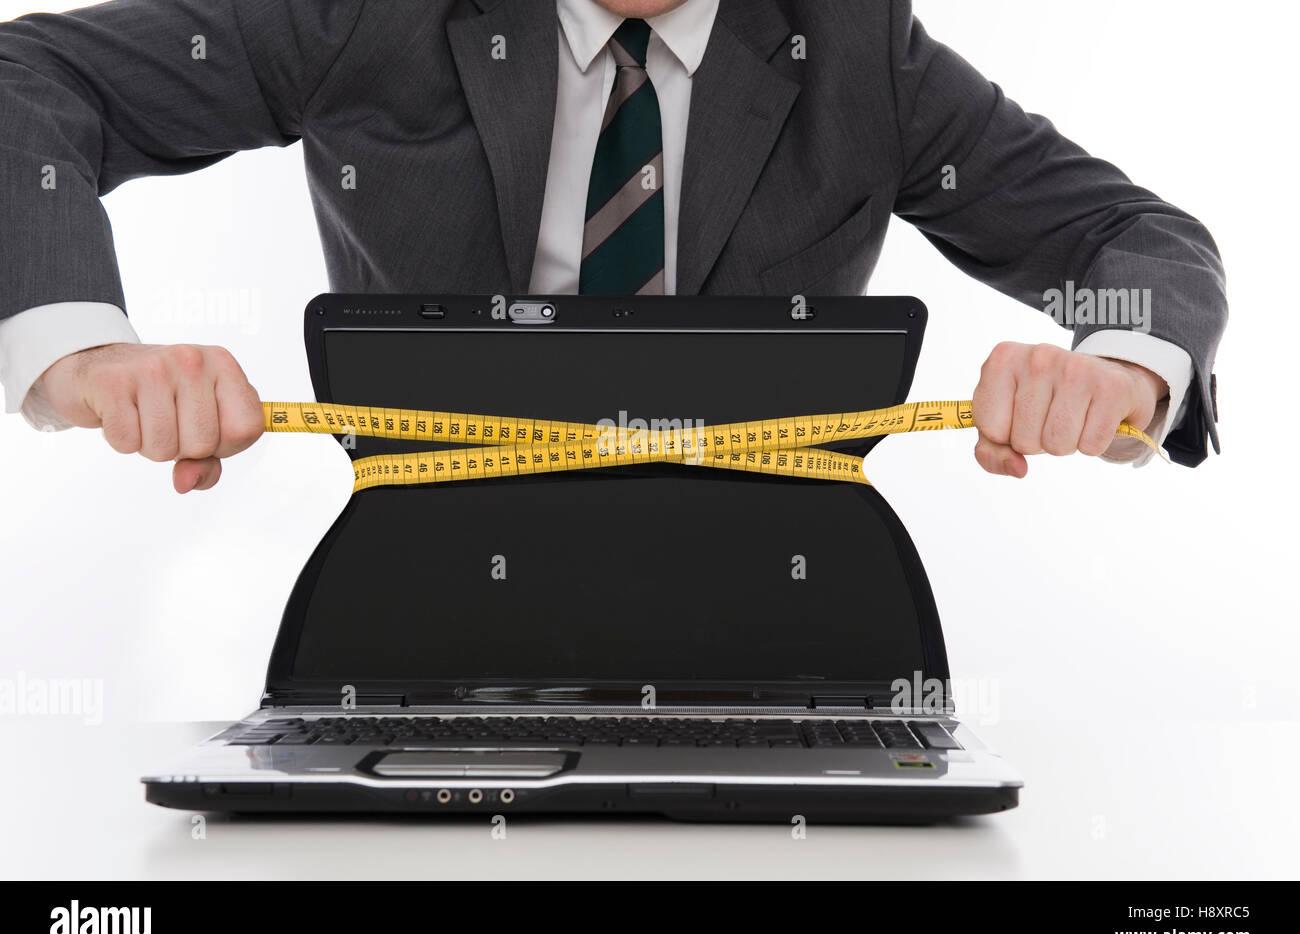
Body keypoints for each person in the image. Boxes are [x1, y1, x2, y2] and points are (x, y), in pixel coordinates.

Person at [0, 0, 1225, 493]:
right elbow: (34, 79)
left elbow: (1130, 235)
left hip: (780, 627)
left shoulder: (854, 48)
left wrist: (1117, 368)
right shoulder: (371, 11)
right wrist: (82, 350)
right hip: (414, 615)